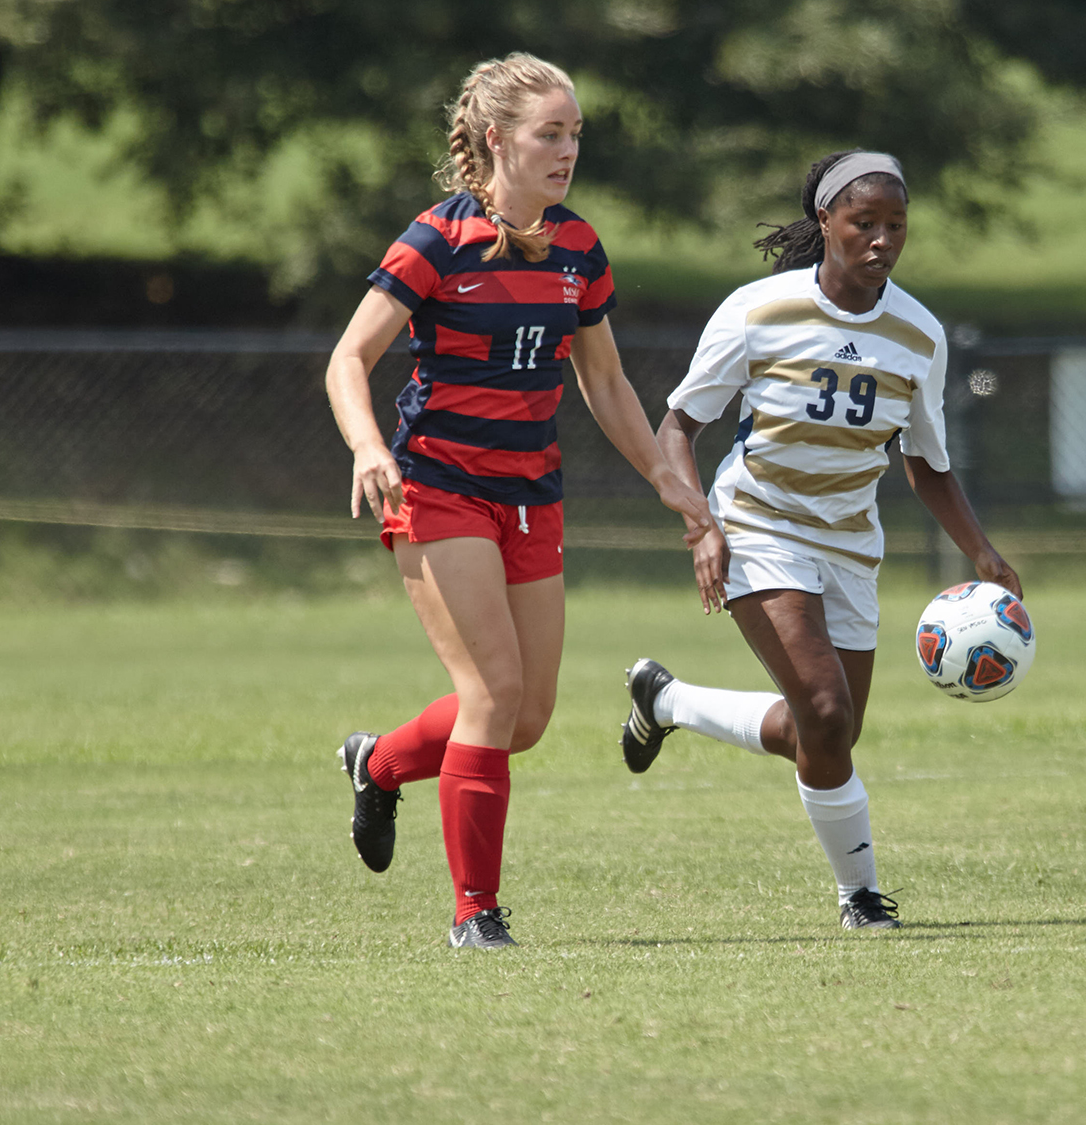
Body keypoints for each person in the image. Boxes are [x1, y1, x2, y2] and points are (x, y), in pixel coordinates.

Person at [324, 53, 713, 949]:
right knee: (491, 693)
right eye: (551, 133)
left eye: (575, 133)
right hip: (437, 488)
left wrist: (663, 472)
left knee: (525, 719)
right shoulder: (434, 239)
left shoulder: (577, 245)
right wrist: (368, 446)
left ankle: (378, 763)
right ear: (496, 141)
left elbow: (606, 380)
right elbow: (349, 358)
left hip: (531, 495)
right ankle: (476, 914)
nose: (568, 149)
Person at [619, 150, 1022, 931]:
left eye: (895, 225)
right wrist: (701, 525)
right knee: (829, 713)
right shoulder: (757, 310)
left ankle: (666, 700)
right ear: (825, 223)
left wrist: (983, 552)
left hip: (848, 543)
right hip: (758, 525)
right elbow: (678, 425)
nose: (880, 240)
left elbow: (926, 463)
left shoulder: (918, 334)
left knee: (825, 735)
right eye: (862, 223)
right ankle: (862, 898)